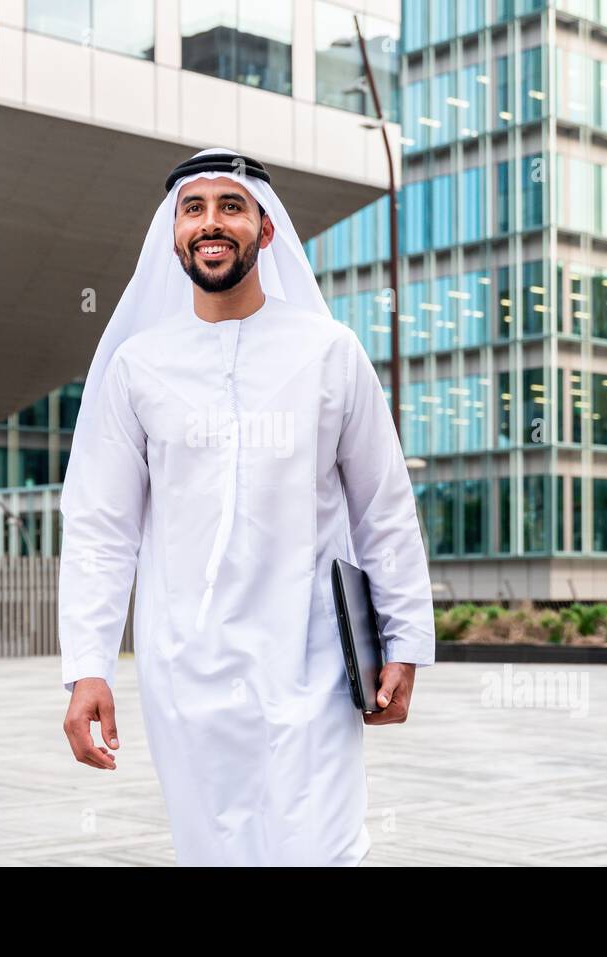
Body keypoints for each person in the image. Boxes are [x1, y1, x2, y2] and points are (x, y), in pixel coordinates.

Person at [58, 146, 435, 866]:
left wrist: (407, 640)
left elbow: (383, 506)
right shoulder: (140, 367)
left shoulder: (330, 352)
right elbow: (102, 528)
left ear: (266, 231)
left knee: (324, 851)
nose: (211, 222)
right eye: (193, 208)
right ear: (174, 233)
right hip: (185, 671)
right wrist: (87, 667)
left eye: (231, 206)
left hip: (313, 663)